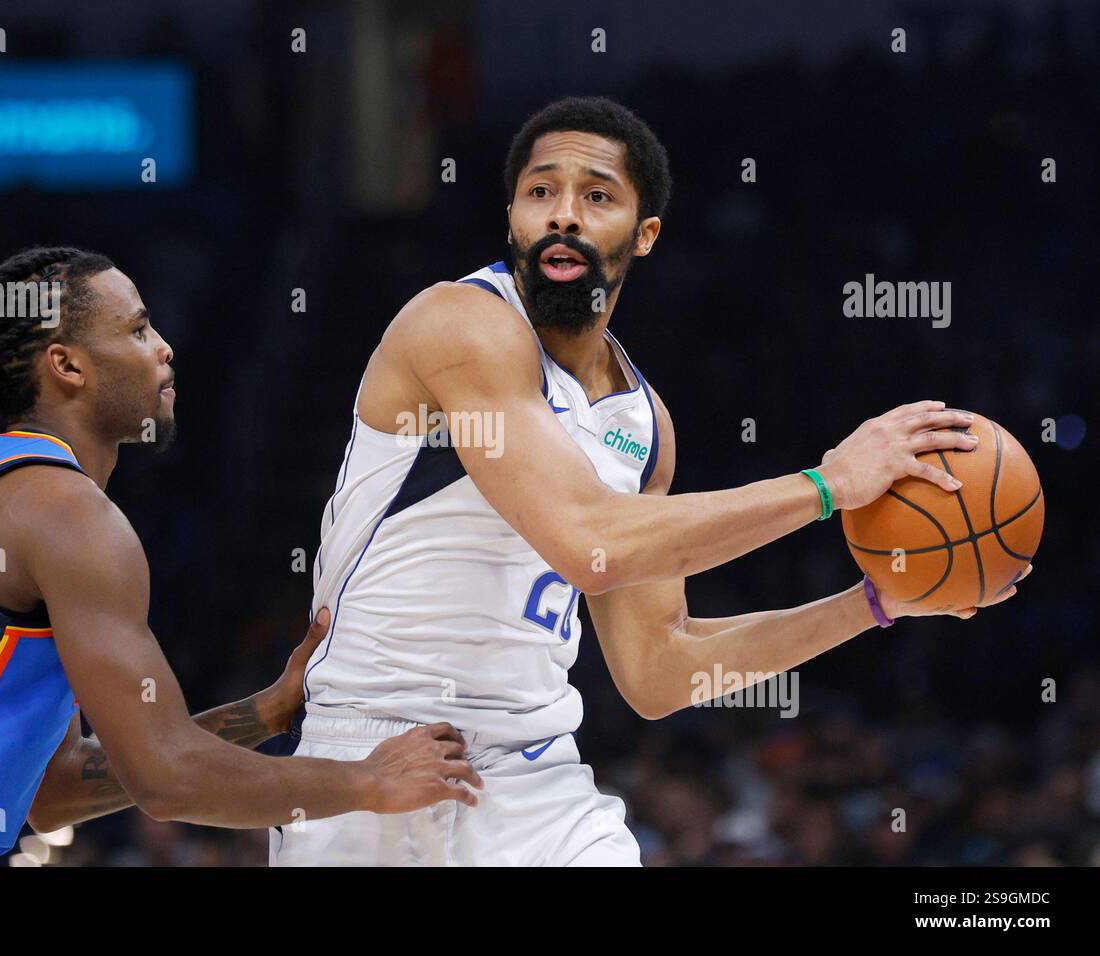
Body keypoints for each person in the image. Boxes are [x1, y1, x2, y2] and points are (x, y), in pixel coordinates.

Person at [277, 96, 1025, 866]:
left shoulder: (644, 426)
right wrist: (827, 485)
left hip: (534, 773)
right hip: (365, 759)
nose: (563, 215)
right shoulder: (457, 323)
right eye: (541, 193)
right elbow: (585, 542)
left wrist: (872, 603)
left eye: (596, 195)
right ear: (512, 221)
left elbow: (660, 673)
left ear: (645, 235)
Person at [0, 246, 481, 867]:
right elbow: (166, 779)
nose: (165, 349)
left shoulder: (19, 492)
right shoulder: (65, 514)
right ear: (66, 365)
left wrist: (265, 712)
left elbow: (55, 793)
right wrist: (368, 781)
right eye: (137, 330)